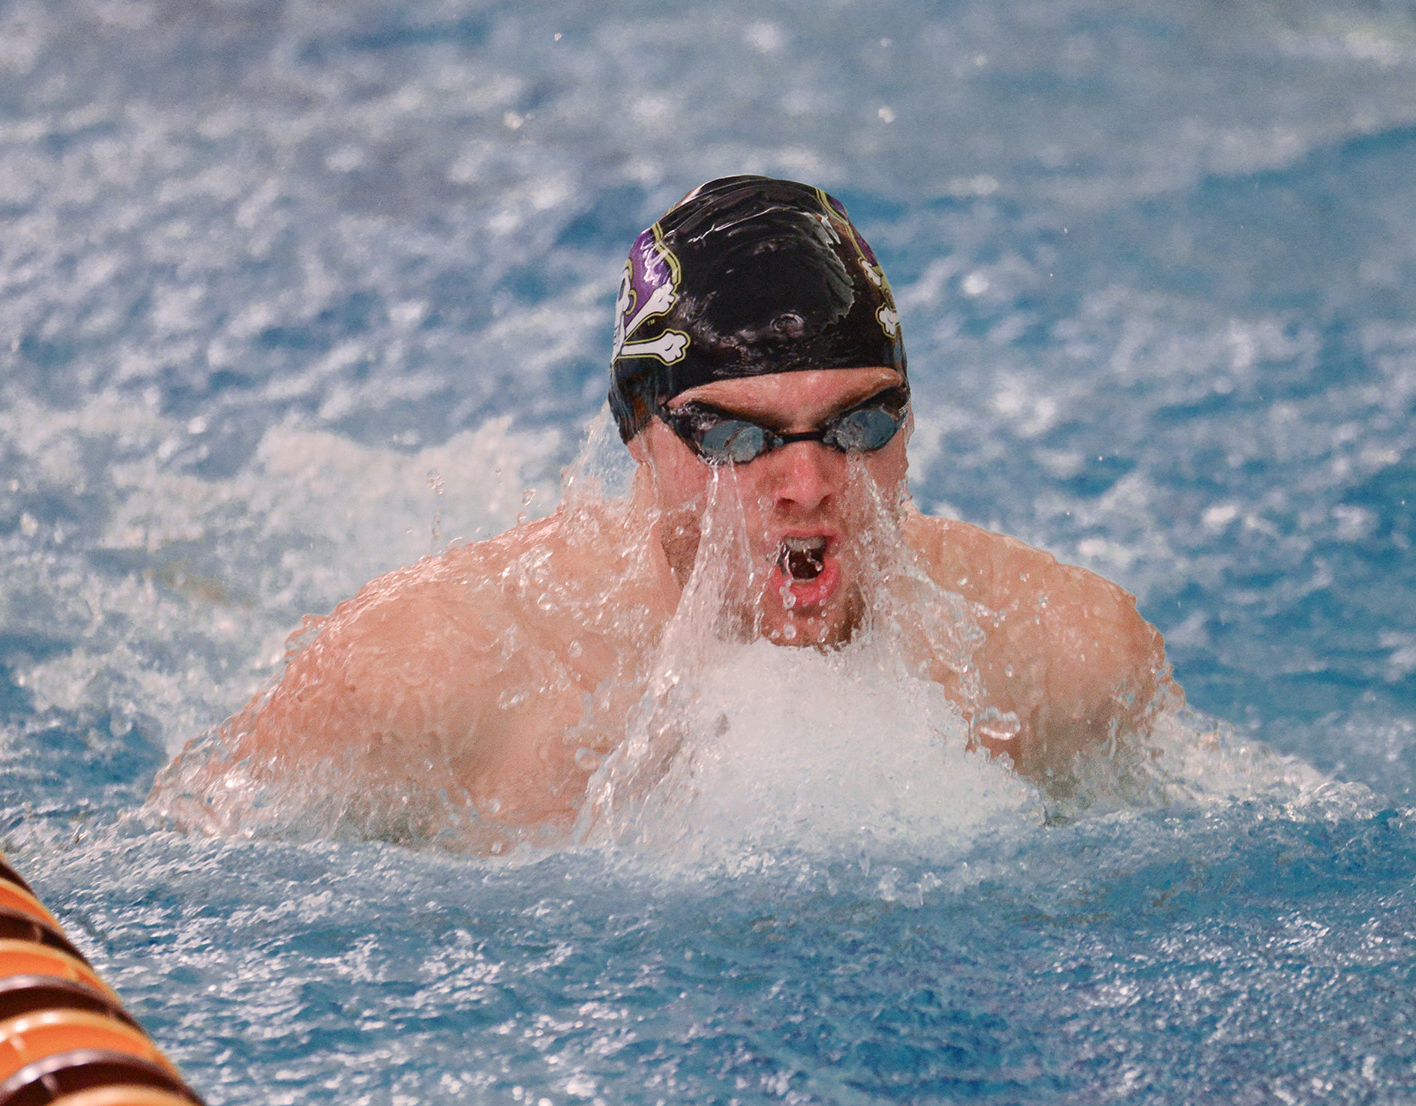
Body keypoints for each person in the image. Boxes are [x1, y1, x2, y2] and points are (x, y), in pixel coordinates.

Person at [153, 176, 1176, 848]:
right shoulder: (431, 671)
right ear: (638, 435)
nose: (809, 484)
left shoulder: (1065, 656)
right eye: (735, 438)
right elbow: (184, 878)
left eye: (858, 424)